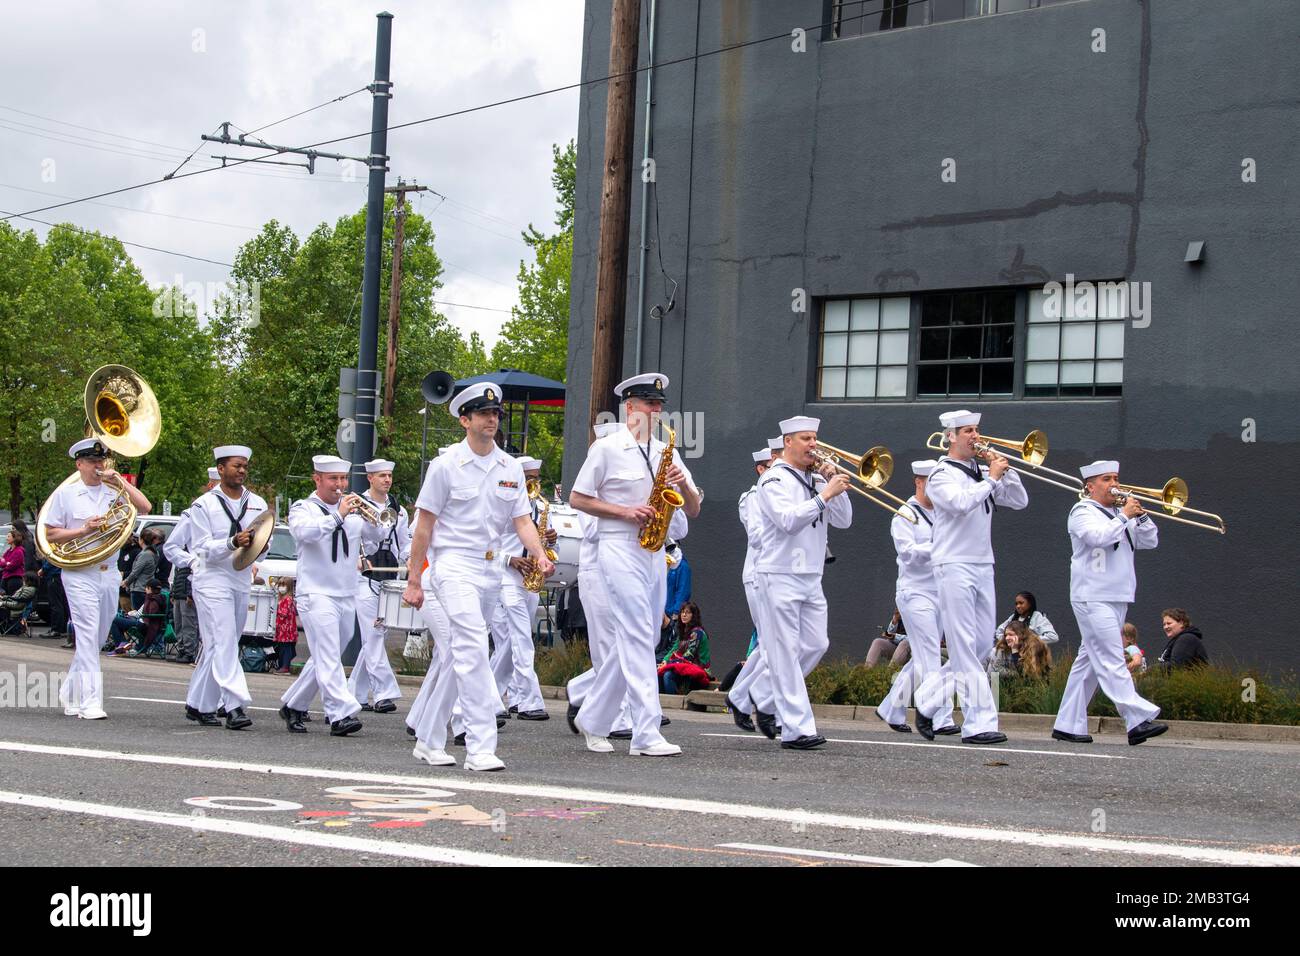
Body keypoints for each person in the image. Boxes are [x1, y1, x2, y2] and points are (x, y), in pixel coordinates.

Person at [401, 382, 554, 772]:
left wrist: (538, 554)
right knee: (472, 647)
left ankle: (428, 738)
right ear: (464, 420)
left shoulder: (509, 468)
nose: (492, 418)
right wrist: (414, 579)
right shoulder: (446, 465)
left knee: (458, 655)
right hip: (451, 565)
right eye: (484, 413)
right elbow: (424, 528)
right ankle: (480, 745)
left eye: (496, 413)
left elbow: (522, 520)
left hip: (490, 569)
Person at [568, 372, 701, 757]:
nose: (656, 410)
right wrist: (624, 511)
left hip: (655, 550)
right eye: (649, 403)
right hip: (617, 545)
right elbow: (578, 498)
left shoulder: (667, 452)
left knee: (646, 636)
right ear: (630, 407)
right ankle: (646, 732)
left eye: (659, 405)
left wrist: (684, 486)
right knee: (637, 635)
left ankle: (593, 716)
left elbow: (692, 509)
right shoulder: (607, 448)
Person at [916, 410, 1028, 745]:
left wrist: (1006, 473)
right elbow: (960, 504)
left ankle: (927, 701)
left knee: (980, 645)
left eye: (977, 430)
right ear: (950, 436)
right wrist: (992, 479)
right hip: (953, 563)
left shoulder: (982, 471)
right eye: (967, 431)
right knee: (964, 644)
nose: (974, 436)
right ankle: (979, 723)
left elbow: (1020, 502)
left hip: (982, 563)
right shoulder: (940, 474)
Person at [748, 415, 853, 751]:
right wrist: (824, 497)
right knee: (784, 651)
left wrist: (834, 485)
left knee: (816, 644)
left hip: (811, 575)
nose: (813, 445)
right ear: (788, 442)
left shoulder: (817, 479)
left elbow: (844, 520)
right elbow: (788, 521)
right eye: (806, 439)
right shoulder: (773, 480)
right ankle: (797, 729)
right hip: (778, 574)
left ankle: (764, 696)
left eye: (815, 438)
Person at [1052, 460, 1167, 746]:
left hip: (1118, 594)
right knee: (1111, 656)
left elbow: (1150, 541)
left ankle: (1068, 724)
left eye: (1115, 477)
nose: (1114, 483)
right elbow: (1098, 538)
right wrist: (1124, 517)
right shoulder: (1082, 511)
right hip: (1092, 594)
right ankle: (1137, 720)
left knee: (1089, 661)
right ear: (1090, 486)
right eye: (1106, 479)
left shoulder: (1120, 514)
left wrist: (1139, 516)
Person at [40, 436, 153, 719]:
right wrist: (82, 531)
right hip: (79, 573)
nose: (98, 466)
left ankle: (69, 690)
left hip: (110, 573)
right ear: (79, 464)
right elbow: (50, 534)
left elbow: (146, 507)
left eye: (101, 461)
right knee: (88, 635)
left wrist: (122, 482)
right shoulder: (66, 495)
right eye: (92, 461)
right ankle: (91, 703)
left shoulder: (114, 492)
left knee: (98, 638)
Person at [183, 446, 269, 731]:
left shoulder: (256, 502)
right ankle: (233, 705)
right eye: (236, 466)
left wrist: (260, 547)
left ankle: (199, 704)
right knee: (224, 639)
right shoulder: (203, 505)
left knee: (223, 642)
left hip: (240, 578)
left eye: (244, 466)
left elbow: (262, 545)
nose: (241, 471)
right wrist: (232, 542)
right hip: (211, 579)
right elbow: (201, 549)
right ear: (221, 469)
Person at [280, 455, 367, 737]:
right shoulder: (303, 508)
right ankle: (340, 713)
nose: (340, 485)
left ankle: (294, 704)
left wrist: (375, 518)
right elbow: (306, 534)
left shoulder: (352, 509)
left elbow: (375, 537)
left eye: (343, 479)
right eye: (333, 479)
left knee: (323, 657)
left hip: (345, 592)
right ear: (317, 479)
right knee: (329, 655)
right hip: (315, 592)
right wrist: (338, 515)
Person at [875, 460, 958, 735]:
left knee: (924, 656)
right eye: (930, 483)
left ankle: (891, 708)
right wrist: (939, 547)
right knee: (930, 658)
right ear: (918, 482)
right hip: (915, 593)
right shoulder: (904, 514)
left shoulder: (944, 513)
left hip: (940, 591)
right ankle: (941, 717)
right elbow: (908, 553)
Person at [488, 455, 557, 721]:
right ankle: (530, 701)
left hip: (529, 579)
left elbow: (550, 549)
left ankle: (490, 696)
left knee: (510, 643)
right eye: (528, 478)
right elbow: (486, 544)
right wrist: (509, 559)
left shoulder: (539, 508)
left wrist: (550, 541)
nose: (533, 483)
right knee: (521, 639)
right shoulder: (500, 504)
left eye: (536, 478)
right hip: (504, 576)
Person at [349, 457, 412, 714]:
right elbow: (350, 538)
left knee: (377, 635)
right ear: (370, 478)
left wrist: (410, 562)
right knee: (373, 634)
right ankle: (385, 692)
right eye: (382, 476)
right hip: (364, 576)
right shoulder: (356, 506)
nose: (387, 480)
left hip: (389, 574)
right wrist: (355, 558)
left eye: (389, 475)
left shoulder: (398, 508)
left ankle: (355, 693)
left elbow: (403, 541)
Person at [725, 447, 775, 733]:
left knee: (771, 644)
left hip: (778, 574)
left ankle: (740, 695)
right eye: (773, 463)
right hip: (758, 574)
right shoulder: (753, 498)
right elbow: (757, 537)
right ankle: (753, 698)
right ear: (760, 468)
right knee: (773, 643)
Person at [658, 601, 711, 693]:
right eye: (682, 612)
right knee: (659, 673)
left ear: (694, 615)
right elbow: (674, 649)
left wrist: (669, 664)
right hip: (683, 666)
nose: (684, 615)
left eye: (688, 612)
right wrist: (665, 661)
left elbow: (688, 655)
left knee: (668, 675)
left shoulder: (697, 632)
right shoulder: (683, 632)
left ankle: (674, 705)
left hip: (699, 669)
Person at [986, 620, 1052, 680]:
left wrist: (1015, 652)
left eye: (1011, 634)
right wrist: (1016, 675)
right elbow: (996, 670)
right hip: (996, 681)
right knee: (994, 677)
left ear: (1021, 635)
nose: (1007, 638)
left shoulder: (1035, 647)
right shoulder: (1001, 648)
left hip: (1030, 684)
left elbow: (1028, 674)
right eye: (1006, 635)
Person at [993, 591, 1059, 647]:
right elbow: (999, 631)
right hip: (1012, 656)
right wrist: (1008, 641)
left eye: (1021, 603)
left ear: (1030, 603)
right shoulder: (1013, 617)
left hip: (1031, 657)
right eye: (1016, 604)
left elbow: (1053, 637)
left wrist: (1027, 641)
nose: (1018, 606)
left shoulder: (1037, 617)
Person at [122, 528, 159, 610]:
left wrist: (126, 582)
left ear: (141, 540)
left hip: (139, 589)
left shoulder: (145, 554)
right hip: (144, 588)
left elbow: (136, 571)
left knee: (136, 615)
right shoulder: (153, 552)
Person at [274, 578, 299, 673]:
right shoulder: (282, 599)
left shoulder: (288, 599)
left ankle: (285, 667)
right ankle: (283, 666)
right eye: (280, 585)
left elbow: (283, 613)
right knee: (283, 648)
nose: (281, 587)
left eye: (283, 585)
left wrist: (275, 608)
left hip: (287, 629)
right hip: (282, 629)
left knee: (286, 648)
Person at [1, 570, 38, 634]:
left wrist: (3, 602)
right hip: (13, 606)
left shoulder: (29, 589)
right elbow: (15, 599)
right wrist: (4, 598)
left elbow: (18, 603)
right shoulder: (26, 588)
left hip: (16, 609)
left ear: (29, 580)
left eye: (24, 579)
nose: (22, 580)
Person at [1, 529, 26, 596]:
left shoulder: (19, 551)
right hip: (6, 578)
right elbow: (1, 562)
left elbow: (12, 566)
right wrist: (6, 563)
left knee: (12, 598)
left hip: (14, 579)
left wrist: (5, 564)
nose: (7, 538)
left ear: (14, 538)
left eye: (9, 536)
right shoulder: (8, 551)